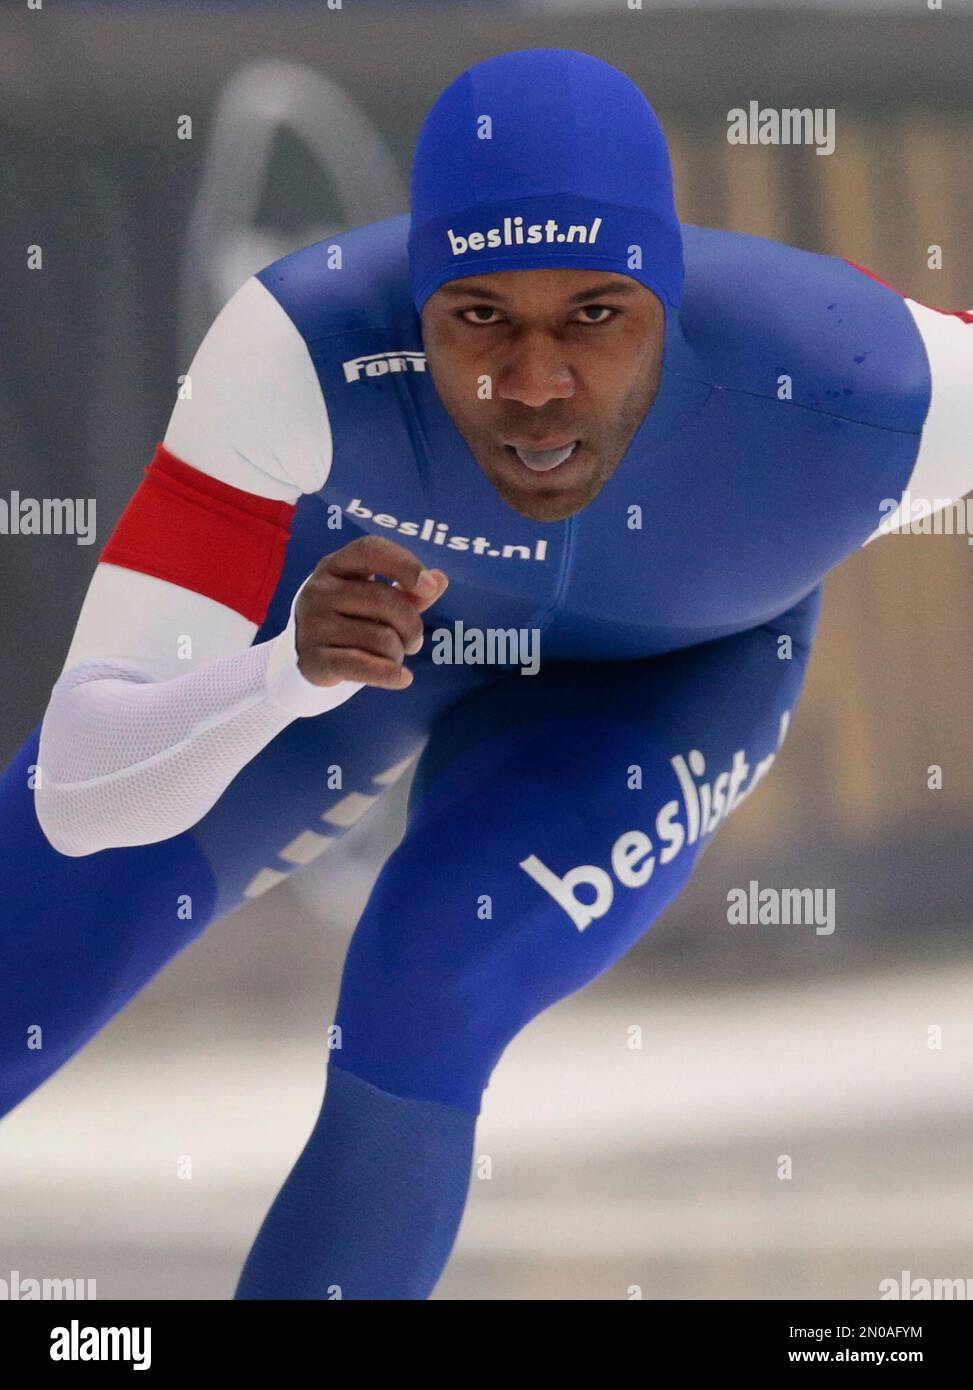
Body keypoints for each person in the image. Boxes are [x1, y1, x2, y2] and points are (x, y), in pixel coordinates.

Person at [1, 48, 971, 1300]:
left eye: (594, 316)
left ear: (669, 302)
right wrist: (281, 677)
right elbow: (83, 796)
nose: (534, 383)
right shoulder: (296, 349)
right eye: (478, 317)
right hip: (339, 636)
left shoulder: (872, 387)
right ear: (412, 303)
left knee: (427, 981)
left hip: (659, 685)